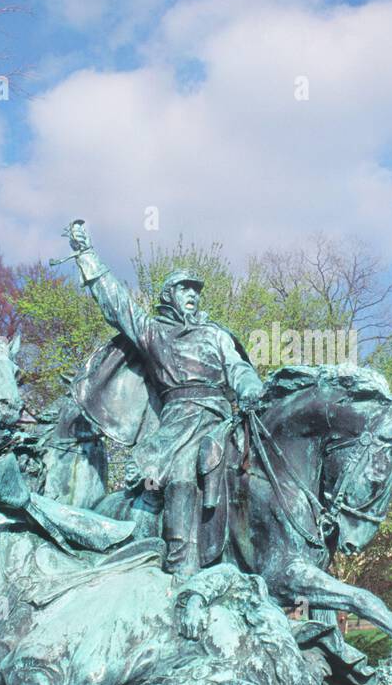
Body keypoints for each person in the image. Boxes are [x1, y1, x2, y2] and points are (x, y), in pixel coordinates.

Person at [68, 222, 264, 575]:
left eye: (196, 290)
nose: (193, 295)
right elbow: (117, 304)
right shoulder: (155, 333)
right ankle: (179, 562)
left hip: (224, 417)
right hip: (180, 424)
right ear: (169, 296)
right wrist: (87, 256)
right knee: (183, 475)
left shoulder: (215, 334)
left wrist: (250, 388)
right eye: (184, 289)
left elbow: (238, 368)